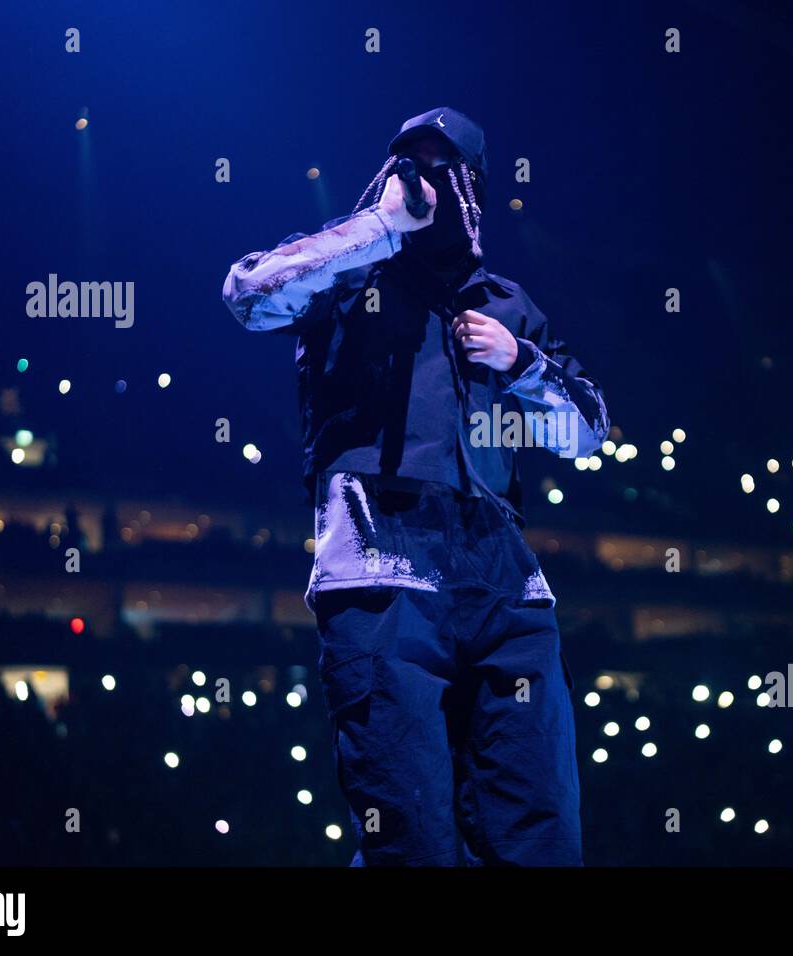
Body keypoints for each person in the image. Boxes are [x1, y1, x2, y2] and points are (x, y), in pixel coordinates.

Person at [222, 107, 608, 866]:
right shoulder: (349, 269)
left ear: (476, 190)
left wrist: (521, 361)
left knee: (540, 827)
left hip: (501, 573)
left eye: (442, 166)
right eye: (409, 161)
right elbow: (248, 294)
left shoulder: (507, 304)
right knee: (413, 830)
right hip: (379, 557)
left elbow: (588, 431)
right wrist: (379, 227)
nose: (423, 178)